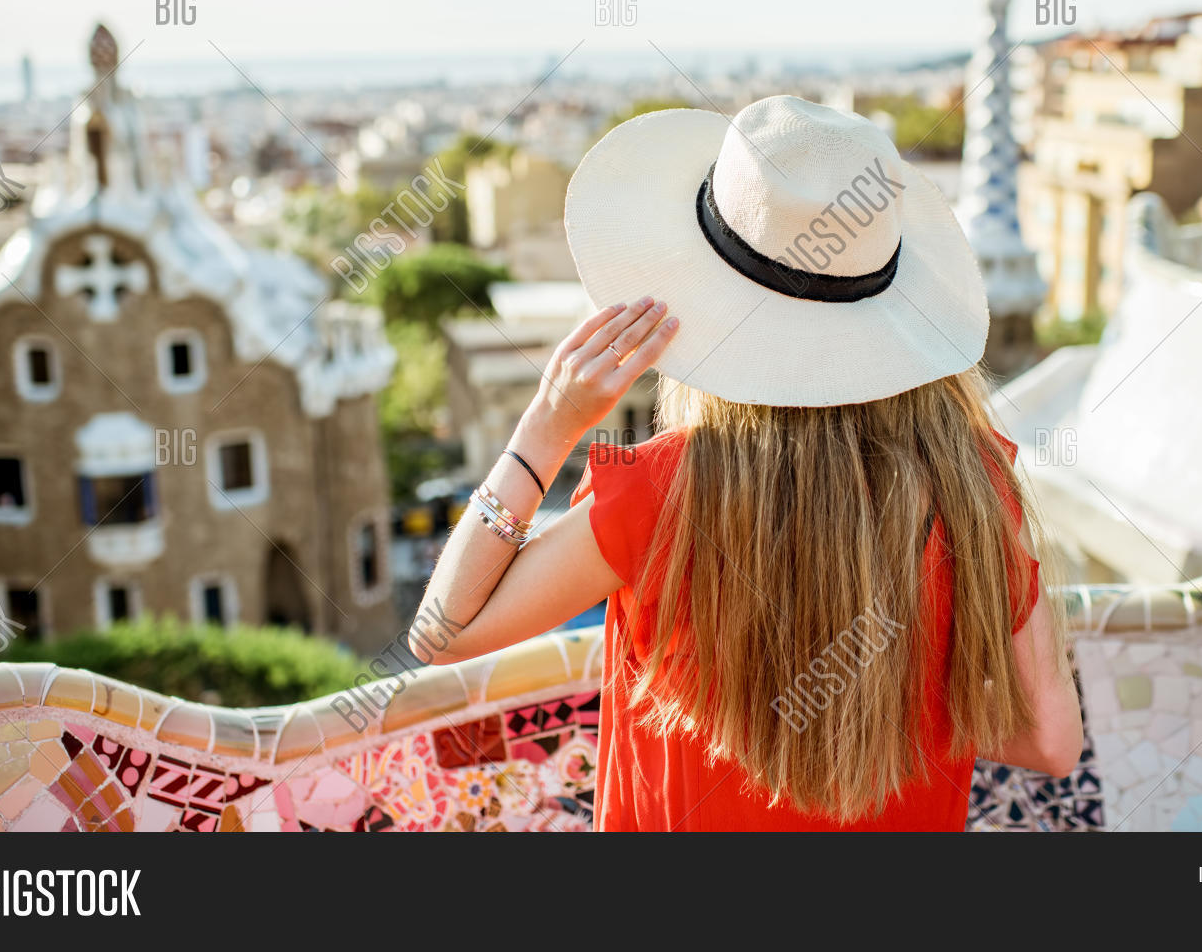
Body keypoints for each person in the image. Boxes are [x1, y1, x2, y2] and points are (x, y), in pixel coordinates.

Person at [409, 95, 1083, 830]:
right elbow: (1052, 742)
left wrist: (546, 425)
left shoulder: (662, 495)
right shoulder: (976, 486)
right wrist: (906, 715)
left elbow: (444, 634)